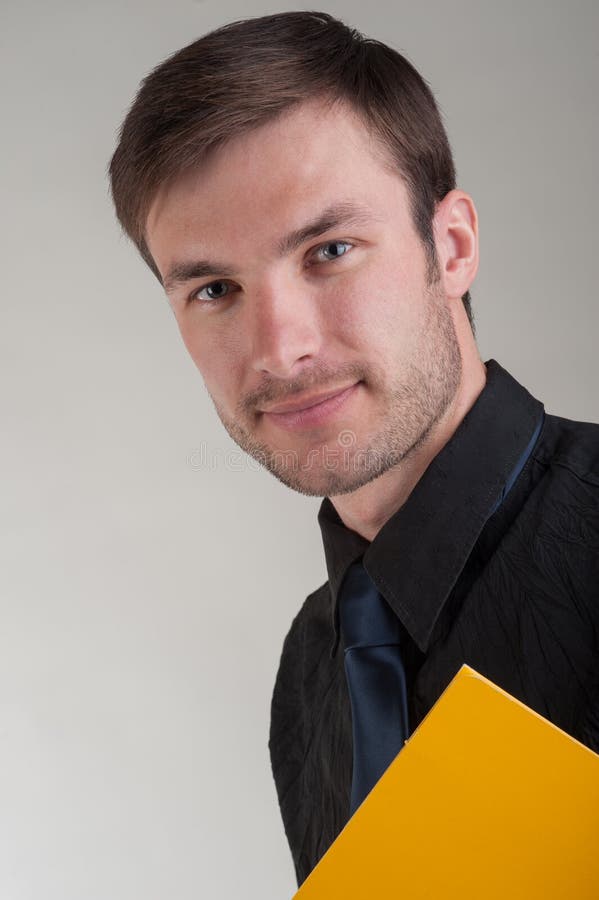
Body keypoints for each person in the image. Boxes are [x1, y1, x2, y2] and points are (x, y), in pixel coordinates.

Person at [108, 9, 599, 888]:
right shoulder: (308, 675)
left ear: (449, 248)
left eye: (329, 250)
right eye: (214, 288)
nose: (280, 347)